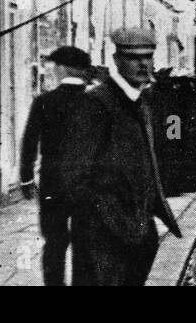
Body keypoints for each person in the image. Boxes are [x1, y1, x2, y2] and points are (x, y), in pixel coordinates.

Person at [66, 28, 182, 286]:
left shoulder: (142, 101)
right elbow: (75, 177)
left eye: (148, 56)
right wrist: (113, 222)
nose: (143, 63)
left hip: (138, 231)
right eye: (133, 57)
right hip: (103, 237)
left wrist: (146, 224)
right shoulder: (95, 103)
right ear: (117, 60)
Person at [20, 46, 92, 286]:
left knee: (54, 241)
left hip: (53, 180)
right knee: (84, 241)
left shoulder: (44, 101)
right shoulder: (95, 102)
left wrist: (26, 178)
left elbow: (29, 142)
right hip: (87, 181)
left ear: (61, 69)